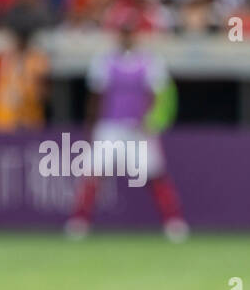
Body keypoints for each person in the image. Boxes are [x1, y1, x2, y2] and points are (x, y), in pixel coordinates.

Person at [66, 15, 188, 241]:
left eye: (130, 31)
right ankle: (79, 222)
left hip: (138, 130)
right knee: (94, 173)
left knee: (155, 175)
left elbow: (159, 96)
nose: (126, 36)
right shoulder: (104, 61)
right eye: (123, 31)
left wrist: (152, 121)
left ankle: (173, 221)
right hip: (110, 127)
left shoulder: (150, 61)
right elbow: (96, 97)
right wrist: (91, 127)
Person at [0, 28, 48, 131]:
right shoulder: (4, 58)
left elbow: (43, 91)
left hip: (29, 119)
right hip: (2, 120)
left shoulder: (37, 59)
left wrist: (28, 96)